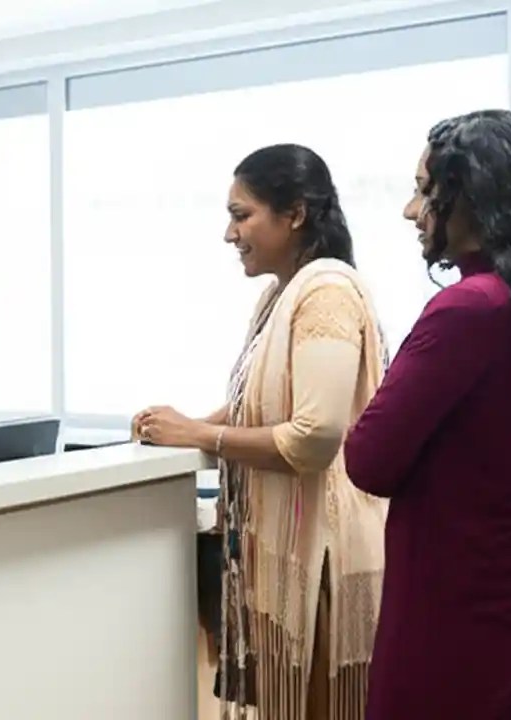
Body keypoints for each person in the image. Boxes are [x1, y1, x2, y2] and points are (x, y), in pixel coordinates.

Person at [342, 109, 511, 720]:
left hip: (453, 590)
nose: (412, 211)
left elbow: (369, 461)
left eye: (423, 191)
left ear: (470, 198)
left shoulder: (464, 309)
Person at [133, 143, 388, 720]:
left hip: (324, 556)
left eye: (241, 214)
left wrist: (200, 434)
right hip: (290, 554)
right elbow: (256, 404)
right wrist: (181, 423)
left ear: (294, 214)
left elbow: (312, 437)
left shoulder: (325, 291)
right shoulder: (280, 294)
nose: (230, 234)